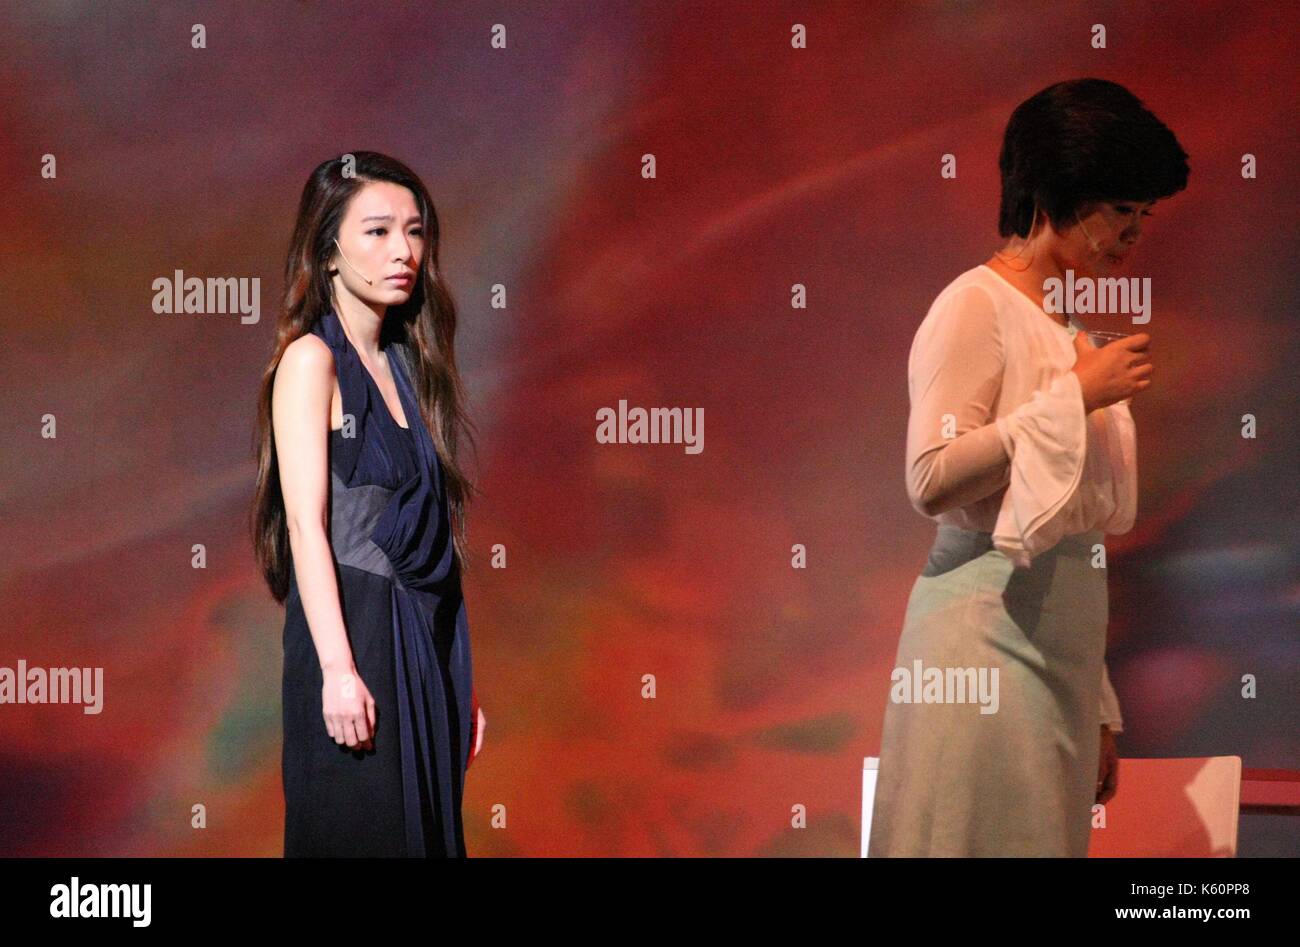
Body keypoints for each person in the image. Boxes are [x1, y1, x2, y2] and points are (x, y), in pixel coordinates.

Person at [869, 79, 1189, 856]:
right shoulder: (974, 305)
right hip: (983, 638)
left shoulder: (1065, 322)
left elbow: (1072, 533)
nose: (1134, 234)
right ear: (1054, 194)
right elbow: (930, 477)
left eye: (1144, 216)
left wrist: (1099, 700)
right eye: (1121, 211)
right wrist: (1071, 399)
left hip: (1058, 652)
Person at [250, 151, 485, 856]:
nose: (404, 251)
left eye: (415, 232)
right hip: (355, 644)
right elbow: (305, 526)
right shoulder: (310, 363)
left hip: (425, 649)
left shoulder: (412, 369)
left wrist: (454, 680)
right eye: (378, 231)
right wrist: (338, 670)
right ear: (328, 250)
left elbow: (433, 542)